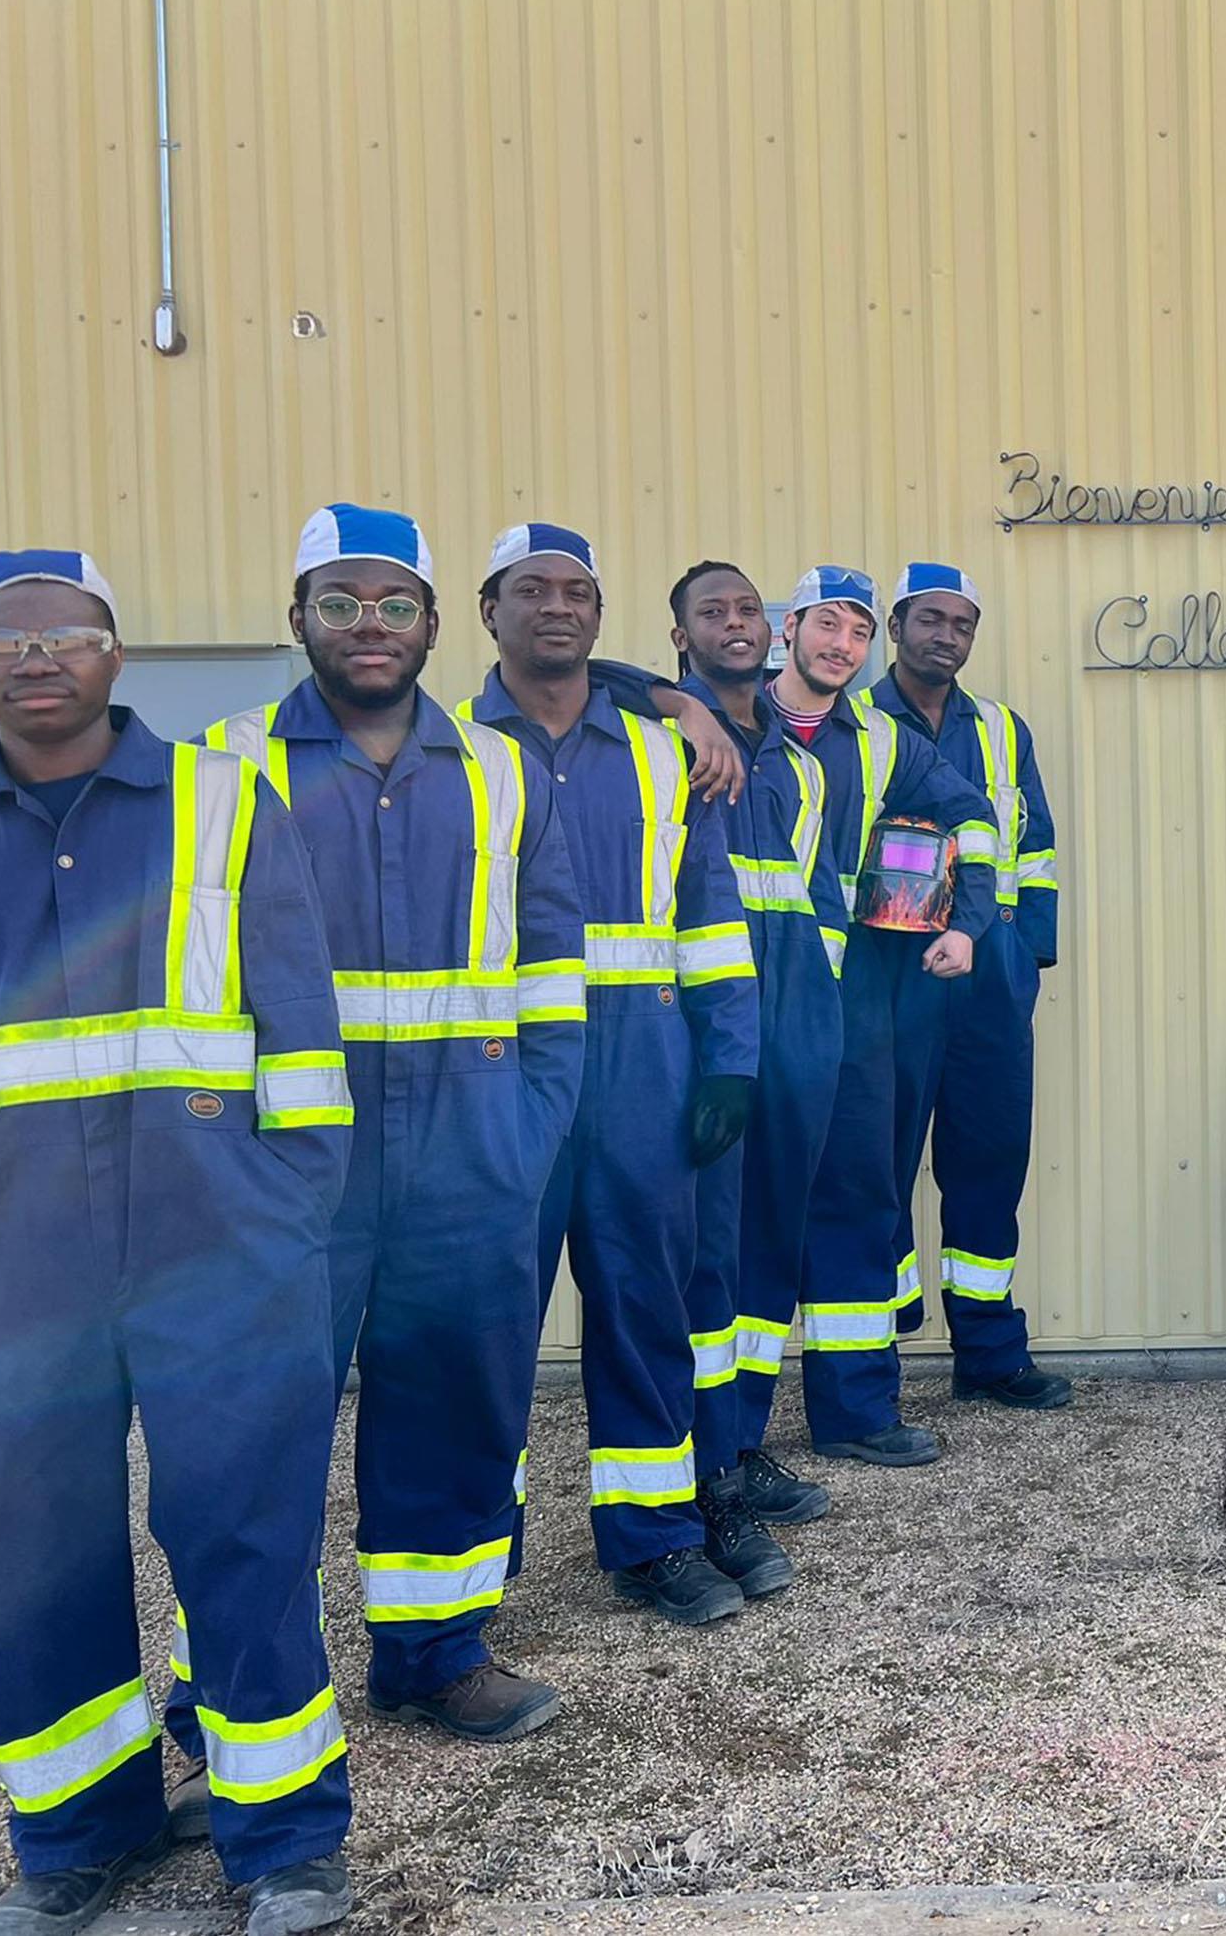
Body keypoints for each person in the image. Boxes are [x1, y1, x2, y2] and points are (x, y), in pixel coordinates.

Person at [0, 549, 356, 1934]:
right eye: (3, 634)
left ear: (119, 655)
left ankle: (285, 1840)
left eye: (67, 631)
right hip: (4, 1266)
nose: (35, 655)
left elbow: (299, 1029)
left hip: (217, 1244)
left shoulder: (228, 800)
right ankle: (77, 1836)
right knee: (15, 1548)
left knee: (241, 1529)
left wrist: (287, 1227)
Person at [200, 507, 587, 1743]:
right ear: (296, 617)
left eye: (394, 605)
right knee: (256, 1424)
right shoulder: (225, 764)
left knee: (455, 1403)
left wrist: (528, 1126)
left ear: (433, 622)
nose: (369, 628)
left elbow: (550, 958)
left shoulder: (498, 765)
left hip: (468, 1155)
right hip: (287, 1165)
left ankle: (434, 1653)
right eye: (340, 603)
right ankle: (230, 1680)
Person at [463, 524, 761, 1626]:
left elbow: (710, 918)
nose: (556, 607)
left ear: (600, 615)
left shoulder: (655, 749)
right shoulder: (454, 750)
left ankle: (655, 1539)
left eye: (577, 591)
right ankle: (471, 1568)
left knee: (645, 1310)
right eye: (531, 590)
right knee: (490, 1323)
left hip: (643, 1070)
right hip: (506, 1083)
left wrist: (730, 1058)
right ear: (487, 611)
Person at [629, 564, 852, 1548]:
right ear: (677, 634)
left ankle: (739, 1442)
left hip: (797, 1026)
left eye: (747, 609)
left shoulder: (801, 766)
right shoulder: (652, 736)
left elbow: (819, 898)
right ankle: (694, 1459)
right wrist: (675, 701)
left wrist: (821, 1018)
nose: (735, 622)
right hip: (701, 1033)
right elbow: (583, 678)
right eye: (711, 610)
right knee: (700, 1258)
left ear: (774, 629)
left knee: (769, 1246)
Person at [759, 566, 999, 1467]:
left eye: (857, 635)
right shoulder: (727, 722)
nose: (842, 647)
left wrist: (969, 923)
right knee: (745, 1221)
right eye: (829, 626)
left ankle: (857, 1410)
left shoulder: (878, 738)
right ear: (791, 628)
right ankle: (732, 1441)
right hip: (741, 1005)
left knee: (858, 1197)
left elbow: (971, 818)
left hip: (852, 1009)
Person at [874, 562, 1074, 1410]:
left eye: (961, 624)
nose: (946, 635)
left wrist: (1024, 956)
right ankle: (873, 1352)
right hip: (888, 980)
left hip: (988, 979)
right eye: (931, 619)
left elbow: (1035, 847)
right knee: (875, 1164)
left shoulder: (1000, 729)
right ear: (896, 626)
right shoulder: (852, 722)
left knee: (990, 1160)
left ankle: (989, 1350)